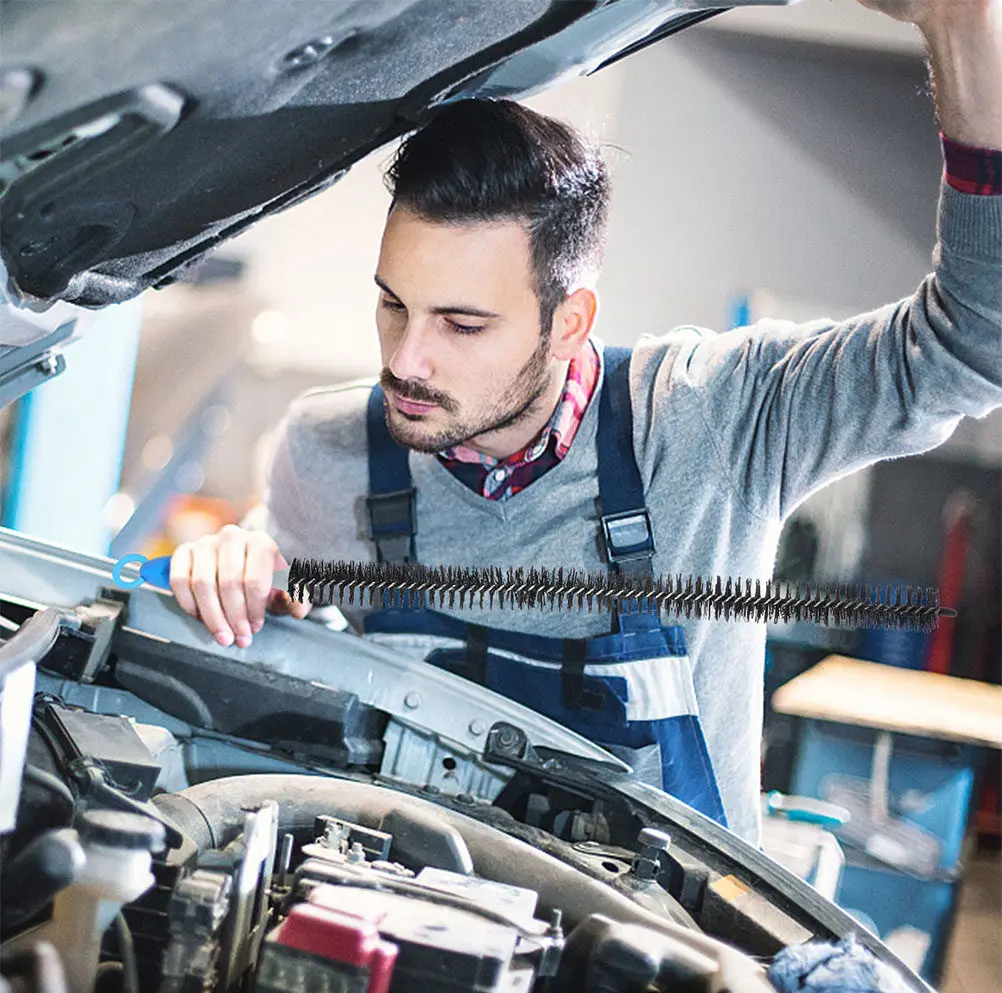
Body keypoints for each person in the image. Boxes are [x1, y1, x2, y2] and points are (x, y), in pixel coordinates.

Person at [168, 0, 1002, 846]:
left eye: (462, 325)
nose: (406, 361)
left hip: (669, 950)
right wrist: (241, 568)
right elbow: (281, 617)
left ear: (569, 322)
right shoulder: (332, 449)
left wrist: (962, 27)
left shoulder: (715, 419)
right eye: (392, 305)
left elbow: (974, 340)